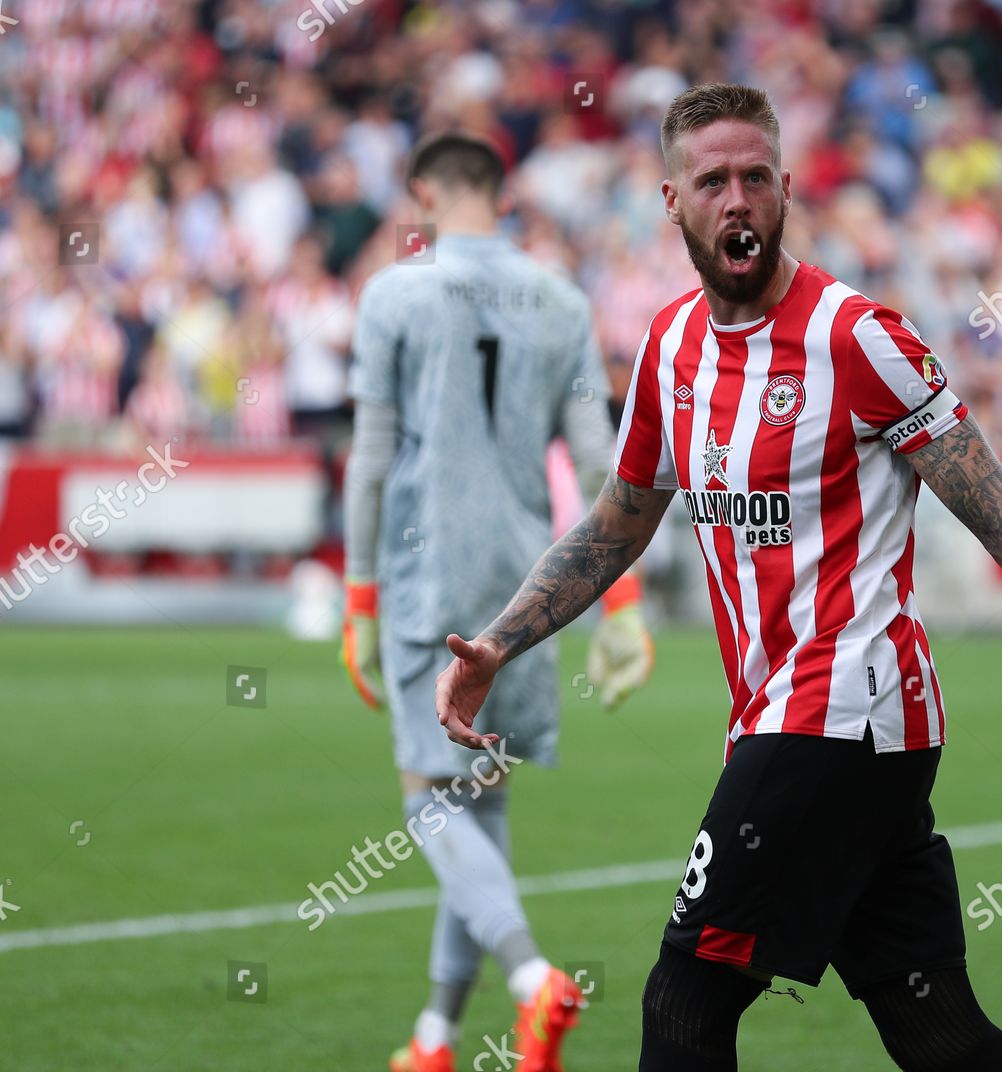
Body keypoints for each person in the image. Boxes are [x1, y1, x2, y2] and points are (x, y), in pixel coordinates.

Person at [435, 85, 1002, 1072]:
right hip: (816, 727)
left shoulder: (857, 336)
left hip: (841, 711)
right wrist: (500, 639)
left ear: (788, 188)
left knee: (684, 999)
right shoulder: (669, 349)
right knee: (940, 1034)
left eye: (756, 177)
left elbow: (997, 508)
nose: (737, 200)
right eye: (713, 182)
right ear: (672, 202)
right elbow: (619, 520)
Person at [341, 131, 654, 1072]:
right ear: (503, 192)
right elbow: (607, 468)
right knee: (478, 803)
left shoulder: (394, 293)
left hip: (422, 574)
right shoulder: (559, 299)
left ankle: (531, 981)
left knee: (426, 801)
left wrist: (358, 596)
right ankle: (435, 1040)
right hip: (528, 586)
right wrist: (622, 601)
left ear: (423, 192)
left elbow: (368, 458)